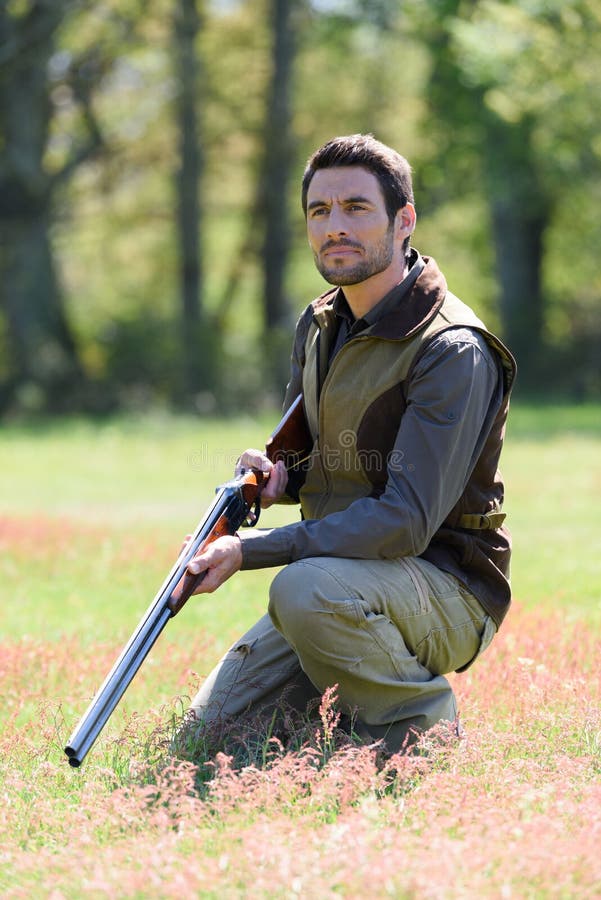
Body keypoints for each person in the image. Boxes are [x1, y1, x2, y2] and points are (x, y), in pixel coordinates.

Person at [184, 134, 516, 751]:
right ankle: (343, 722)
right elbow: (316, 454)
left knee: (299, 589)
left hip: (446, 582)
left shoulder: (452, 349)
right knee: (210, 738)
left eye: (356, 208)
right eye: (320, 211)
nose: (335, 227)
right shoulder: (320, 322)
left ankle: (422, 730)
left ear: (404, 220)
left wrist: (250, 549)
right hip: (346, 582)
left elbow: (405, 520)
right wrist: (276, 476)